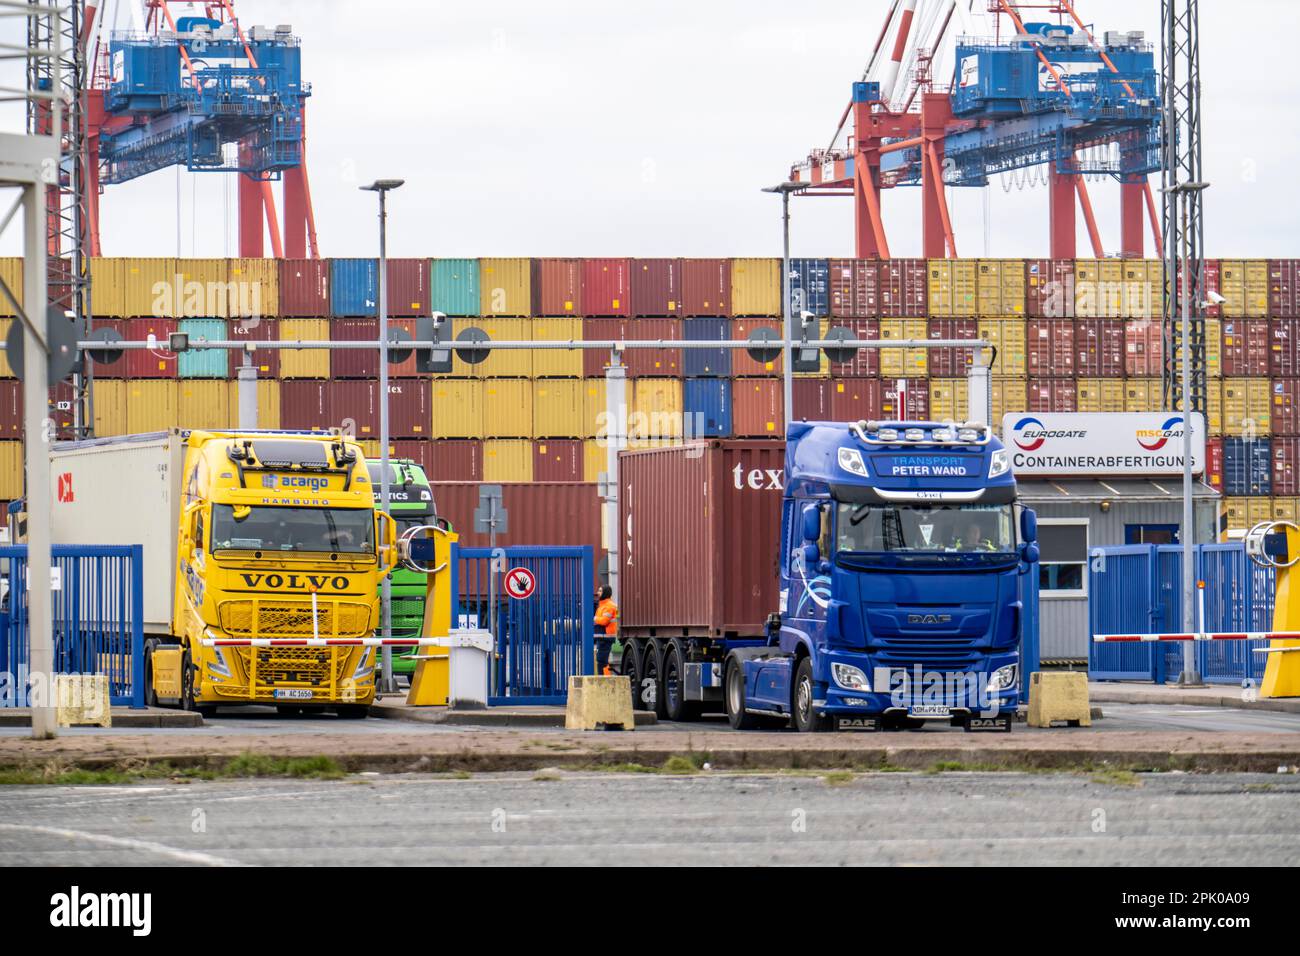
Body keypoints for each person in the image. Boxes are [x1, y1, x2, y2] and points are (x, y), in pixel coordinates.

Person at [593, 585, 619, 676]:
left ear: (605, 593)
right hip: (602, 637)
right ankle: (605, 679)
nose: (598, 593)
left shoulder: (609, 606)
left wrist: (595, 618)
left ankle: (605, 680)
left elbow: (604, 621)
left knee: (602, 661)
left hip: (606, 637)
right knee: (601, 660)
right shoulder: (602, 605)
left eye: (600, 591)